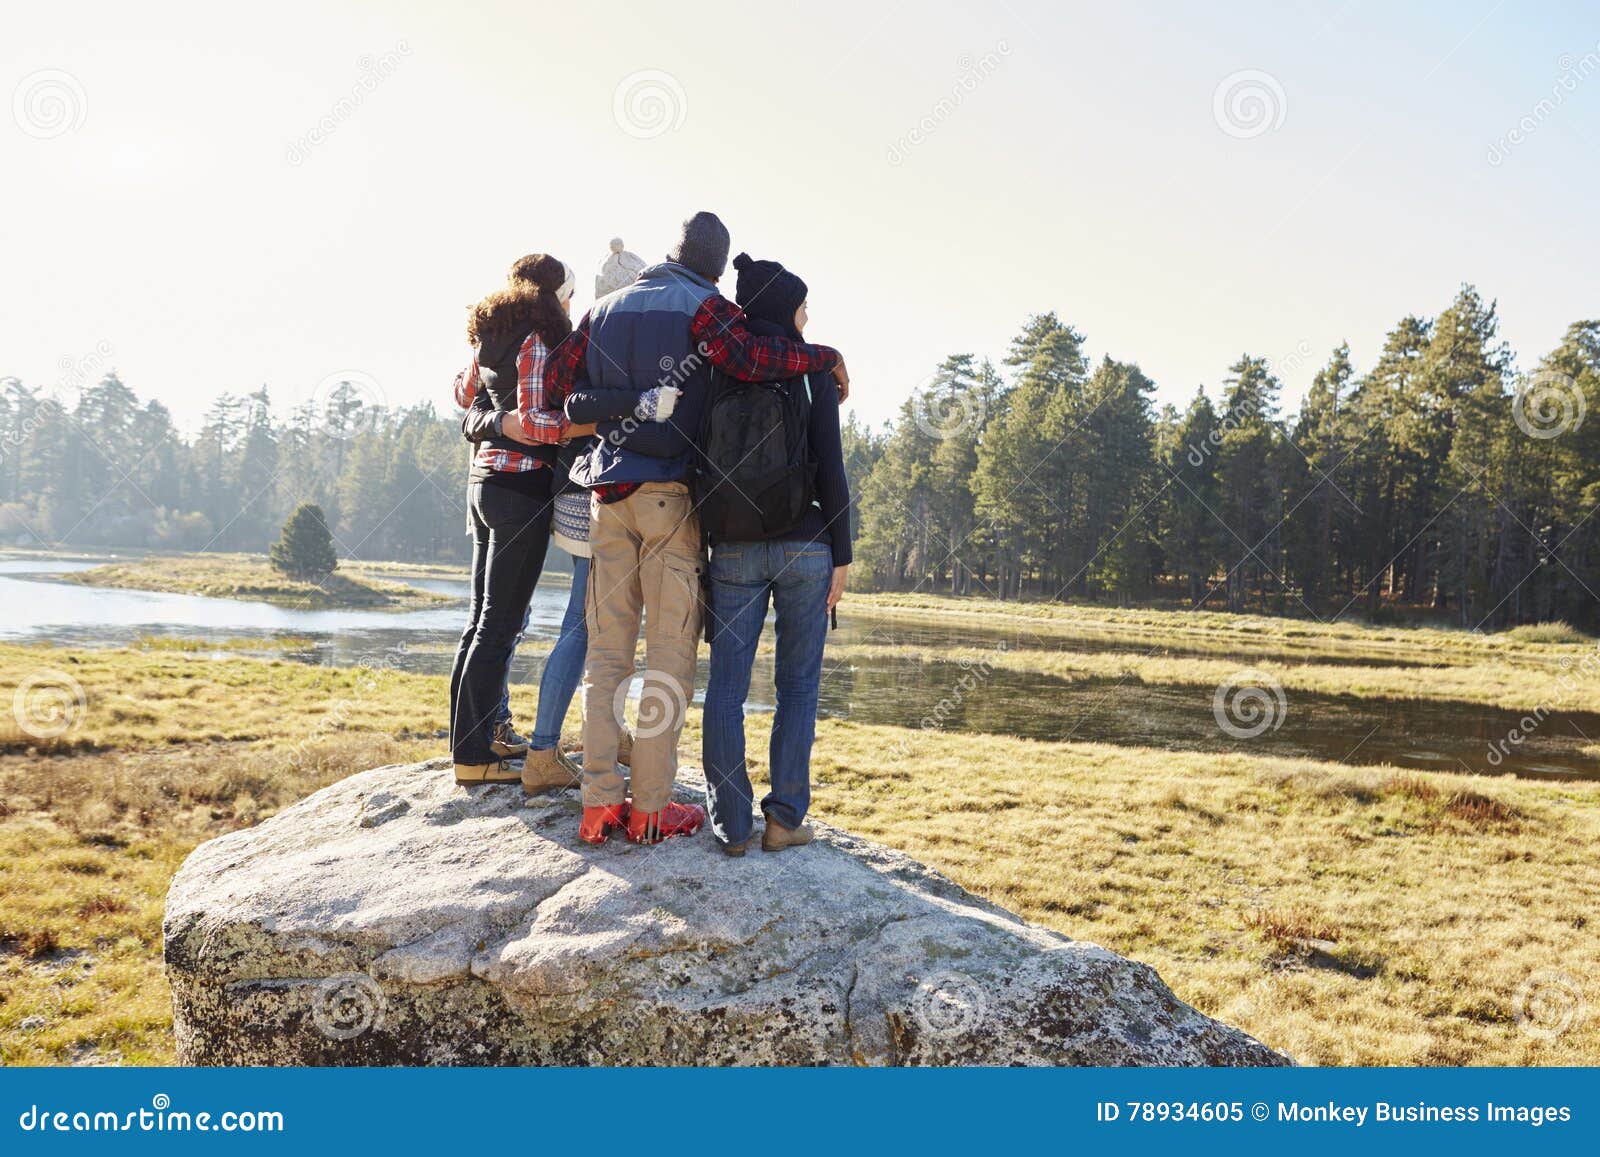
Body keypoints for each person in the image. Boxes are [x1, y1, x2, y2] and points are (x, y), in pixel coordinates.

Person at [548, 211, 850, 845]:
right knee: (668, 659)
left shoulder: (602, 310)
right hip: (669, 499)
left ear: (671, 248)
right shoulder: (707, 307)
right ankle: (651, 810)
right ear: (716, 266)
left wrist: (620, 404)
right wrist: (825, 357)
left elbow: (560, 391)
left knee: (604, 658)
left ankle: (598, 803)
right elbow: (752, 356)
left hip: (607, 497)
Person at [700, 253, 851, 855]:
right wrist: (841, 554)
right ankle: (785, 819)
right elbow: (832, 469)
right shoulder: (811, 372)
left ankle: (733, 826)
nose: (807, 319)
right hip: (806, 547)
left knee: (726, 688)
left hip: (732, 548)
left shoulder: (718, 366)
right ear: (786, 309)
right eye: (803, 307)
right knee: (797, 688)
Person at [515, 239, 648, 788]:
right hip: (597, 495)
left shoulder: (580, 333)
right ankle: (544, 750)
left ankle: (609, 731)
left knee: (610, 622)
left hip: (572, 491)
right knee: (584, 621)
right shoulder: (623, 335)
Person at [446, 253, 574, 784]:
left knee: (481, 623)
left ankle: (476, 737)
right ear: (551, 292)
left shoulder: (489, 336)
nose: (571, 302)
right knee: (499, 626)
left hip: (483, 484)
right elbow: (533, 421)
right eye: (568, 292)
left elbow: (461, 395)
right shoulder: (536, 339)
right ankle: (474, 759)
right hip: (520, 489)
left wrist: (493, 419)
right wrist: (583, 426)